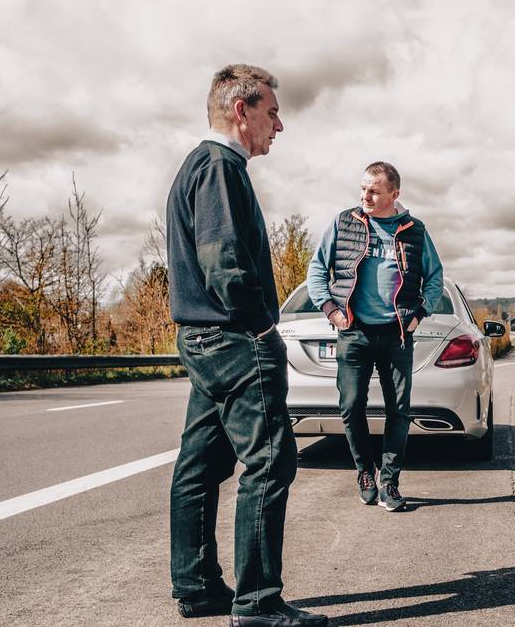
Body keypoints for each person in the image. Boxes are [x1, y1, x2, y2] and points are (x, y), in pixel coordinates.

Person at [166, 64, 327, 627]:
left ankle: (196, 586)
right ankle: (258, 605)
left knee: (200, 465)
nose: (279, 125)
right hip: (234, 340)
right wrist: (261, 327)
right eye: (272, 113)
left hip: (203, 340)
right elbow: (224, 262)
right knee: (271, 462)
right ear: (242, 110)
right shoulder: (219, 167)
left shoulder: (199, 165)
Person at [306, 161, 444, 513]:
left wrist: (419, 314)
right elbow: (317, 269)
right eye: (363, 189)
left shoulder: (414, 230)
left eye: (374, 191)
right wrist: (331, 311)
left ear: (394, 194)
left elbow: (435, 276)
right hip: (354, 332)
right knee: (351, 405)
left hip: (397, 334)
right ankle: (365, 472)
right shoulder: (344, 222)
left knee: (399, 409)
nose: (365, 196)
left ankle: (390, 482)